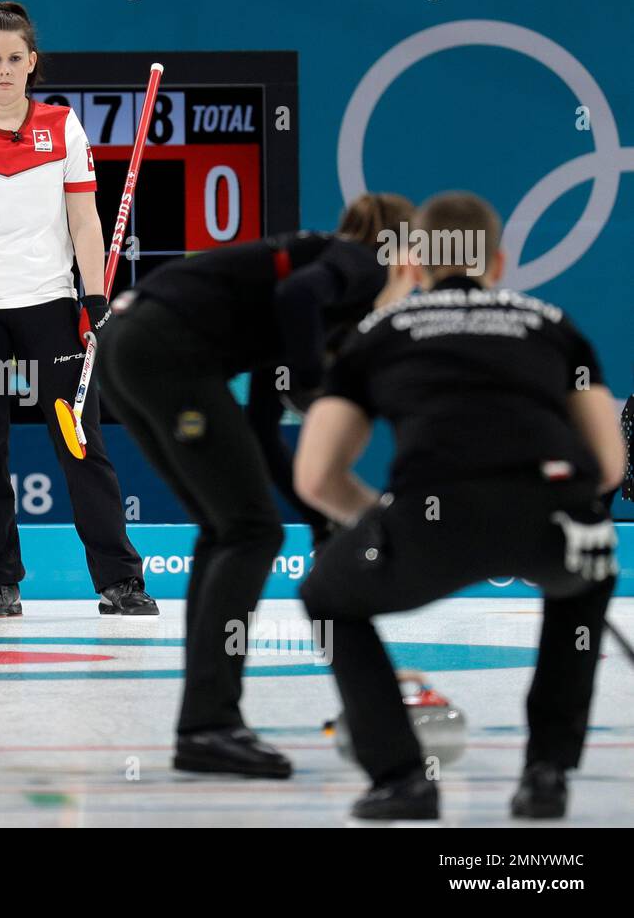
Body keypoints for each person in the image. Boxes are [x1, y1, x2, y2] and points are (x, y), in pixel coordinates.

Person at [295, 191, 625, 820]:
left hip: (432, 516)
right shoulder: (553, 325)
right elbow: (608, 465)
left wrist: (380, 519)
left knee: (326, 597)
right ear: (498, 263)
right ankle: (547, 773)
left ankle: (401, 779)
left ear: (414, 265)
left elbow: (315, 476)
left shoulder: (380, 333)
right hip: (555, 516)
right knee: (583, 582)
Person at [96, 192, 413, 777]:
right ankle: (210, 724)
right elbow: (300, 300)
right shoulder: (360, 262)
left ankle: (204, 726)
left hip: (127, 344)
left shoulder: (301, 288)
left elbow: (265, 436)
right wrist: (315, 386)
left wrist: (321, 522)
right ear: (404, 255)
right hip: (165, 348)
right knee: (250, 531)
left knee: (227, 530)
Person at [0, 1, 155, 617]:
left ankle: (119, 581)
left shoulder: (63, 127)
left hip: (50, 306)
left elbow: (85, 221)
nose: (3, 69)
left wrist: (94, 297)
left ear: (31, 63)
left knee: (80, 442)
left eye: (14, 59)